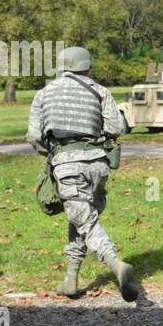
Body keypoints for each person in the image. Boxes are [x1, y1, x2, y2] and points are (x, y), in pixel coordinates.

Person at [27, 45, 139, 302]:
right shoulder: (99, 91)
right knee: (81, 218)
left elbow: (34, 136)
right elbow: (116, 127)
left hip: (66, 164)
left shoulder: (44, 94)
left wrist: (52, 154)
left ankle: (116, 265)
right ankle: (70, 279)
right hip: (98, 165)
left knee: (85, 221)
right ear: (86, 66)